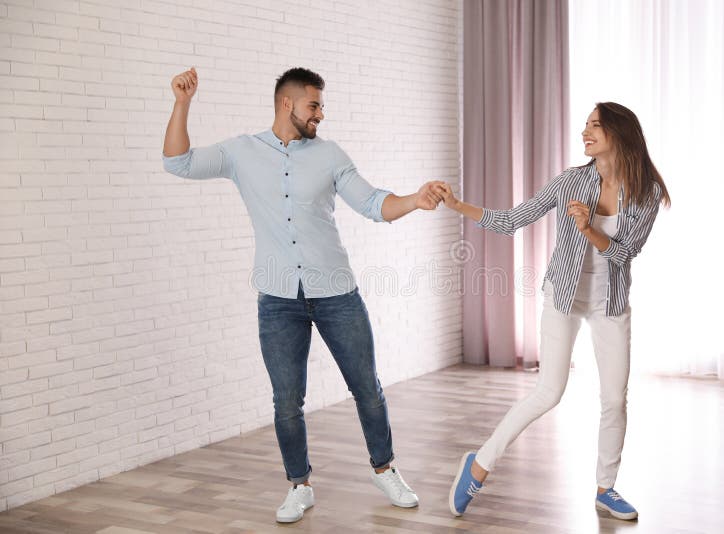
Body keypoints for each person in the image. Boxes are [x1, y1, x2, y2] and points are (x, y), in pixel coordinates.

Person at [162, 66, 444, 523]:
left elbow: (373, 203)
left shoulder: (329, 155)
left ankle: (385, 468)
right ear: (286, 103)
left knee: (367, 388)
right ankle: (299, 485)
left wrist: (415, 198)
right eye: (314, 105)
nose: (320, 114)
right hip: (277, 299)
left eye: (321, 106)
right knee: (287, 400)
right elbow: (178, 162)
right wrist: (182, 103)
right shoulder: (242, 152)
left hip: (336, 291)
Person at [439, 102, 670, 521]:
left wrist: (588, 229)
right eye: (585, 125)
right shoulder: (570, 182)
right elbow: (511, 221)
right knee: (549, 392)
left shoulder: (646, 192)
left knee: (615, 399)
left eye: (595, 126)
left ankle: (606, 488)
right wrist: (458, 206)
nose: (585, 132)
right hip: (563, 297)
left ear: (619, 133)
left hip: (610, 304)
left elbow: (624, 255)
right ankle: (477, 465)